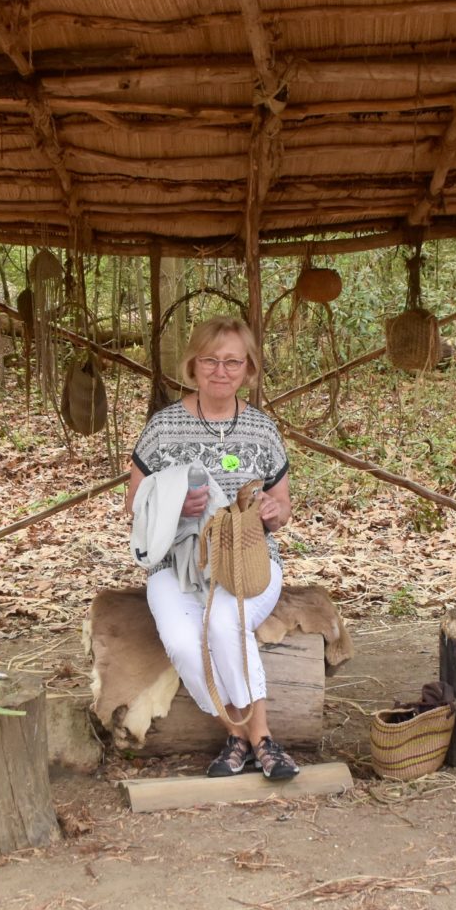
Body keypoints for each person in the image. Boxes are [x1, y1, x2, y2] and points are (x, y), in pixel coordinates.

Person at [126, 315, 298, 780]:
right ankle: (247, 737)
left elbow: (283, 508)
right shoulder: (164, 428)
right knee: (184, 641)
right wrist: (176, 505)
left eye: (232, 362)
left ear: (248, 369)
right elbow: (134, 502)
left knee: (224, 623)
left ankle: (253, 740)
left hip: (246, 561)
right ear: (192, 365)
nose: (220, 371)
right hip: (174, 561)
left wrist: (269, 511)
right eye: (210, 360)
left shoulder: (262, 430)